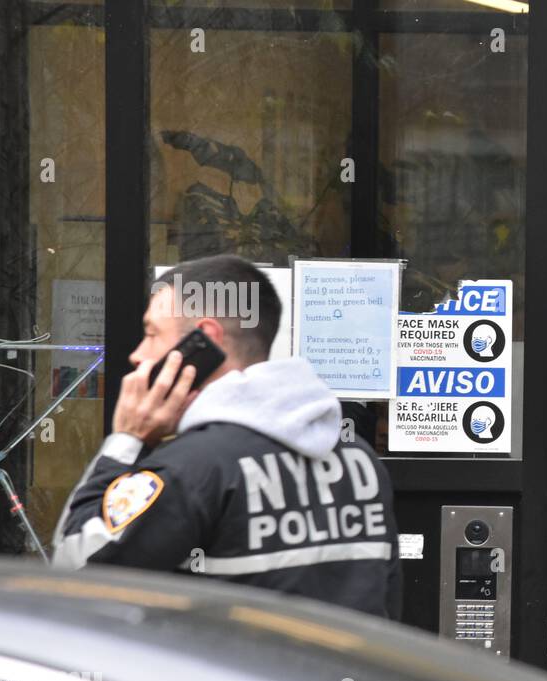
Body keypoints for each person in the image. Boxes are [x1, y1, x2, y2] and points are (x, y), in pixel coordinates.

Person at [53, 254, 402, 619]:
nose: (139, 355)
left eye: (152, 333)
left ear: (203, 341)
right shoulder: (359, 457)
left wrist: (127, 438)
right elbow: (387, 606)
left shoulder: (194, 467)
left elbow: (73, 568)